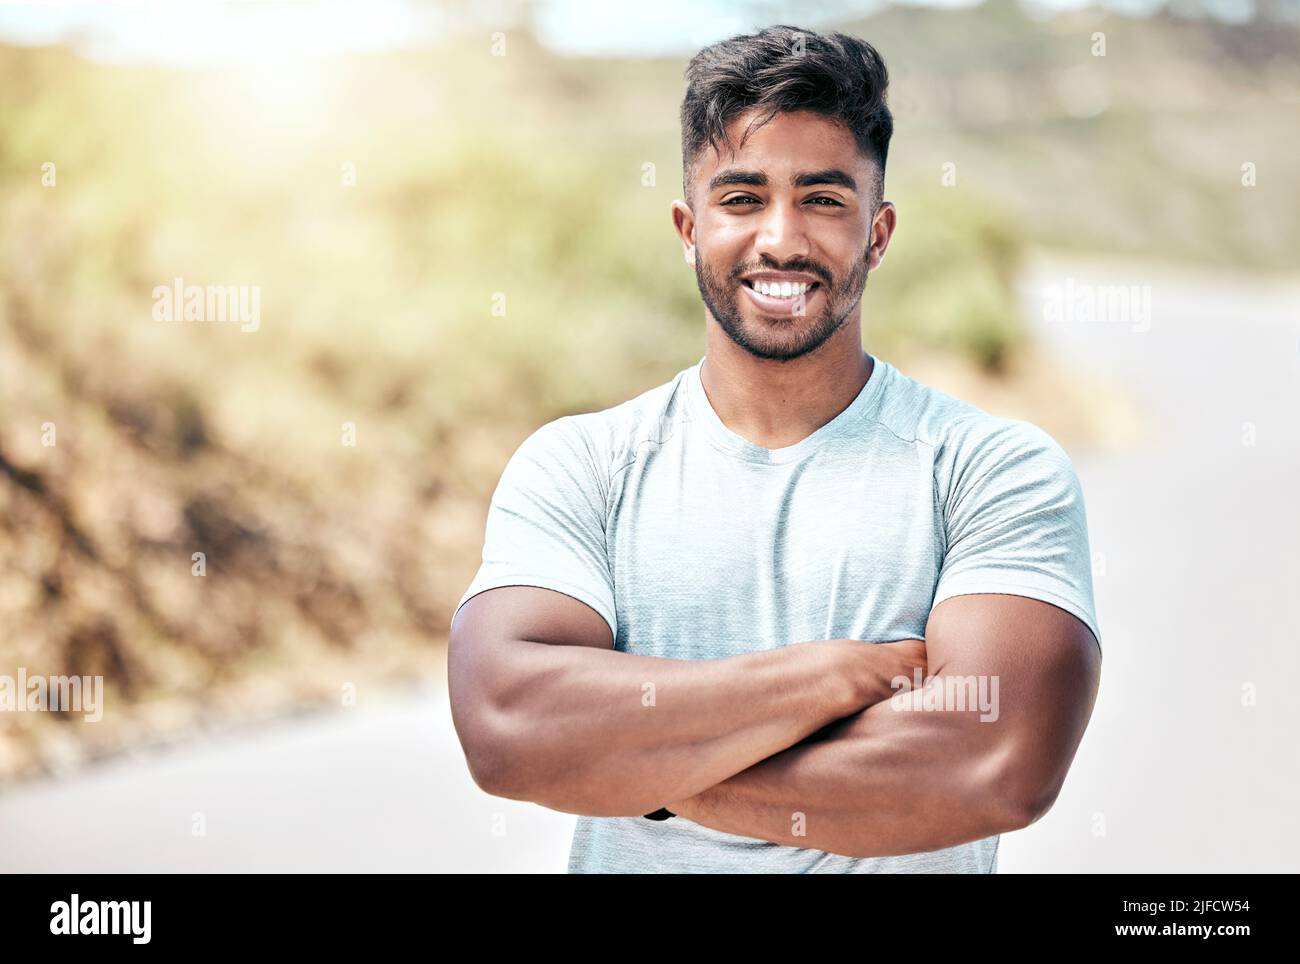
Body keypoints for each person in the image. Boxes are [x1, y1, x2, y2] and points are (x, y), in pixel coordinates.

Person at [448, 24, 1102, 873]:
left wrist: (637, 765)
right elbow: (507, 731)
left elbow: (995, 764)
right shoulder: (582, 466)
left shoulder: (990, 471)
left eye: (824, 199)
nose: (782, 240)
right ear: (688, 227)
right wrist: (831, 677)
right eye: (743, 198)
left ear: (878, 233)